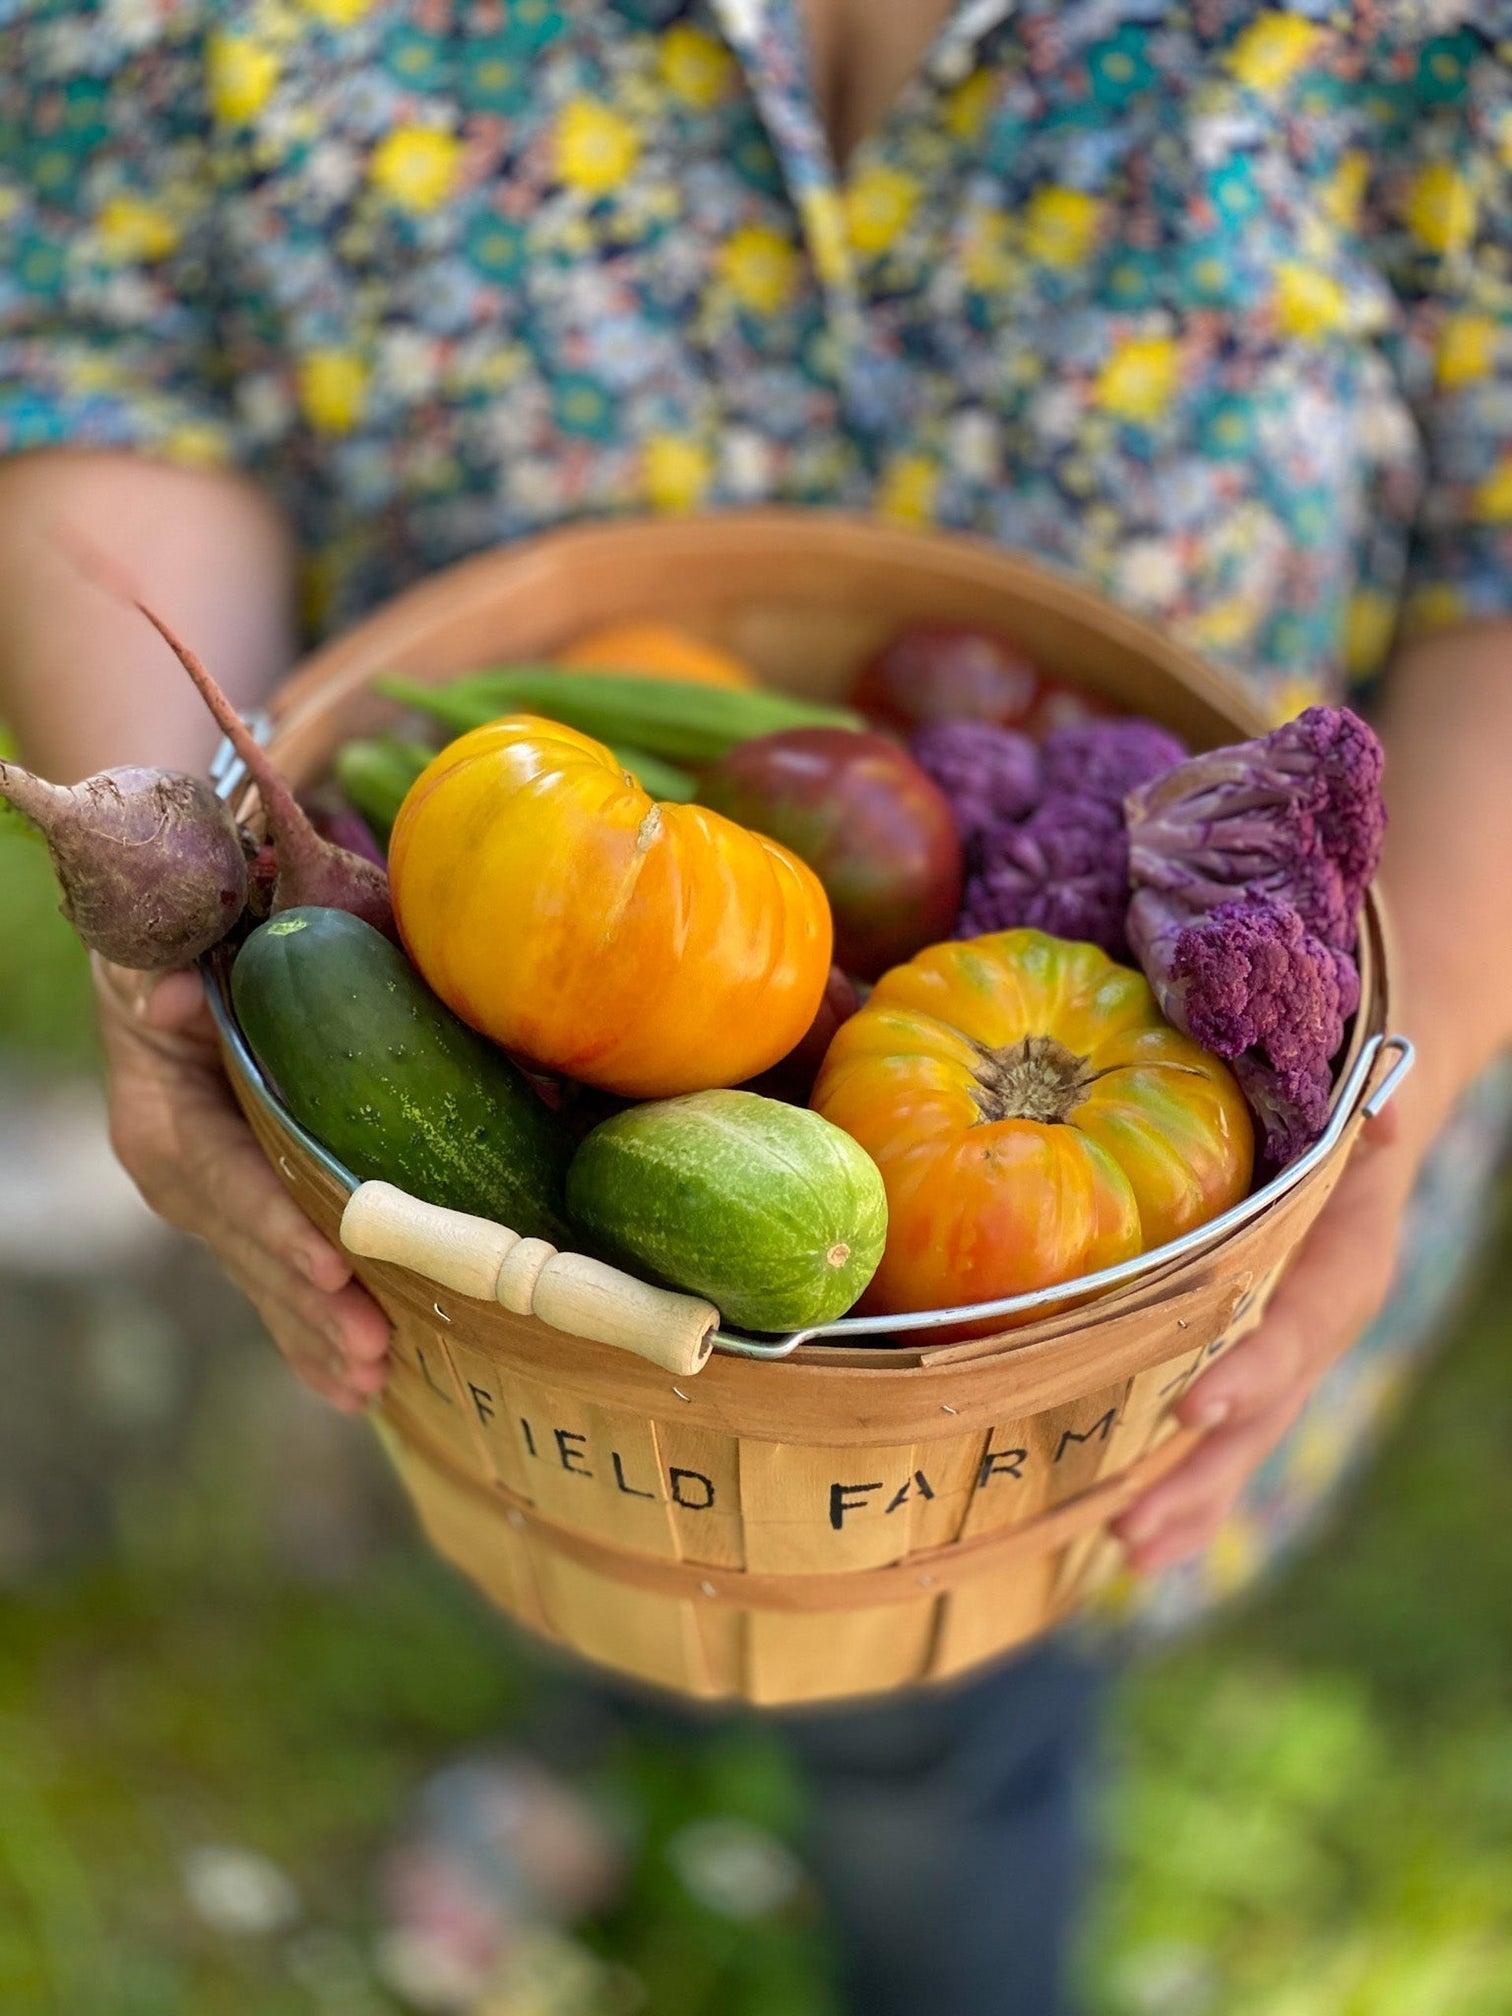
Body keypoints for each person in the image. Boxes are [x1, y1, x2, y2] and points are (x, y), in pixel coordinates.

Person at [4, 0, 1512, 2007]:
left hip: (1116, 1261)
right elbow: (100, 345)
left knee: (949, 1704)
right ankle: (621, 1718)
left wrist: (1385, 1102)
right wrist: (173, 901)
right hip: (484, 1063)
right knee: (568, 1510)